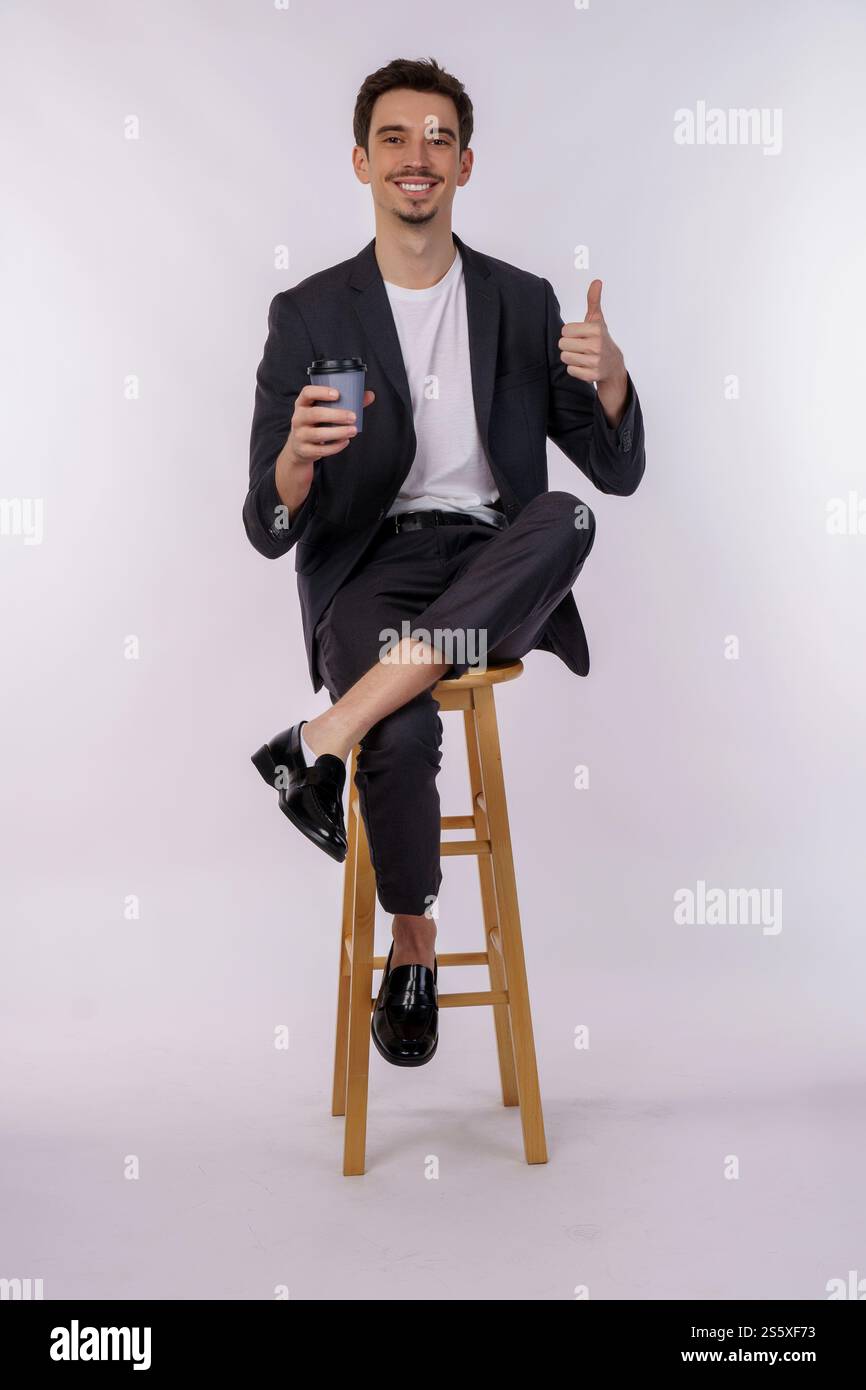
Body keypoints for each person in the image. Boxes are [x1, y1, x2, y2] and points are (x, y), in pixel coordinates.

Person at [244, 57, 646, 1067]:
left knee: (570, 519)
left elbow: (615, 472)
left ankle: (322, 735)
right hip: (363, 569)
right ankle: (412, 946)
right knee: (407, 713)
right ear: (360, 161)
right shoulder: (308, 315)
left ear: (464, 163)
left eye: (435, 138)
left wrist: (611, 383)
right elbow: (265, 522)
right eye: (393, 138)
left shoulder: (520, 300)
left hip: (489, 563)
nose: (415, 156)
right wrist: (292, 462)